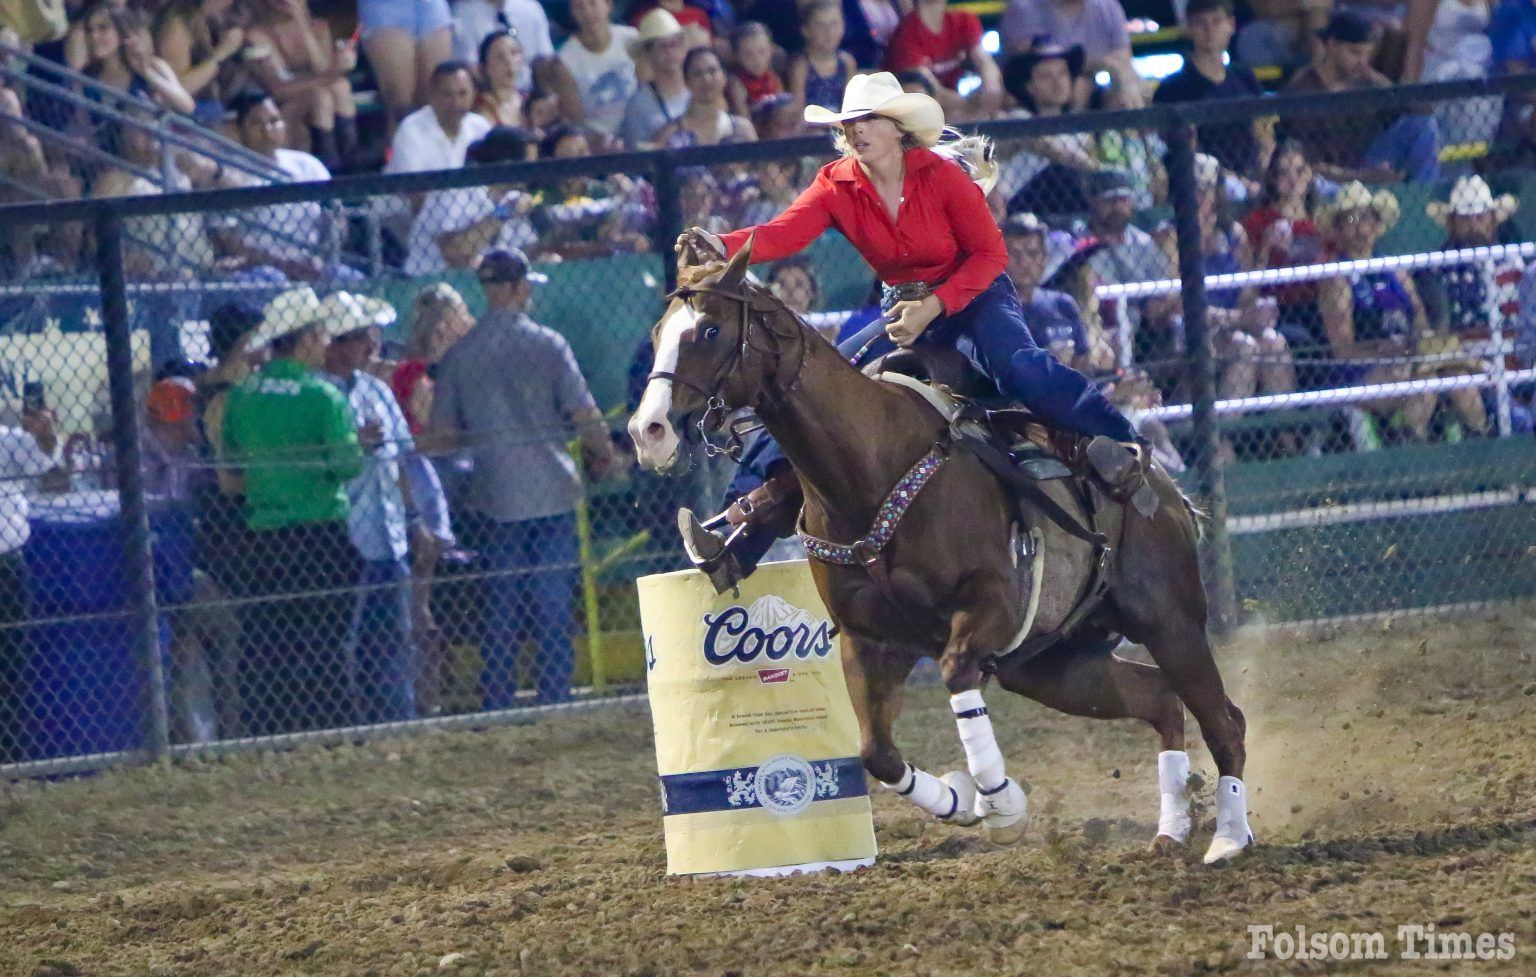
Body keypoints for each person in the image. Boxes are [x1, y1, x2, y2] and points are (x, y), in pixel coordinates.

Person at [673, 71, 1151, 587]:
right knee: (807, 392)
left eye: (868, 120)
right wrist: (723, 245)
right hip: (904, 304)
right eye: (850, 122)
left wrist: (937, 305)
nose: (857, 131)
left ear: (896, 127)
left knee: (1018, 367)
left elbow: (990, 255)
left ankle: (1119, 442)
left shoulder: (941, 176)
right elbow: (784, 232)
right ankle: (735, 540)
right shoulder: (836, 183)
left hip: (973, 295)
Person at [428, 249, 617, 708]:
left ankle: (499, 703)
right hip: (552, 489)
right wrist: (605, 455)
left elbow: (442, 436)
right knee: (553, 607)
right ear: (517, 288)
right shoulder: (548, 344)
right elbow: (584, 414)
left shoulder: (460, 355)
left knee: (501, 608)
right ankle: (554, 700)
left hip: (494, 493)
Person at [221, 287, 364, 735]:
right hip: (319, 530)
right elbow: (347, 465)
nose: (327, 344)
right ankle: (330, 728)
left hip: (263, 533)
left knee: (267, 641)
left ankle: (268, 731)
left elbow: (231, 473)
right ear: (303, 340)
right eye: (322, 335)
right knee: (326, 640)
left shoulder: (242, 395)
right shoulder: (324, 395)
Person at [319, 293, 418, 725]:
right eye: (360, 337)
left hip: (388, 531)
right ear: (337, 343)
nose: (370, 345)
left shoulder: (376, 389)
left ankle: (399, 721)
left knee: (394, 638)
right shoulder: (319, 394)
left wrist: (414, 519)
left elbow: (401, 461)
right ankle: (352, 725)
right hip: (346, 536)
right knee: (347, 641)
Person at [394, 284, 473, 714]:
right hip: (425, 491)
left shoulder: (432, 370)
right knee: (419, 605)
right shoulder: (419, 374)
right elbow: (430, 438)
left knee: (424, 602)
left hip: (436, 489)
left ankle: (429, 694)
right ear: (445, 326)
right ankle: (423, 699)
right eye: (463, 314)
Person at [1315, 182, 1439, 442]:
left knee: (1446, 372)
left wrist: (1416, 341)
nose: (1361, 225)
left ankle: (1480, 435)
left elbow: (1419, 316)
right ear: (1337, 228)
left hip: (1408, 359)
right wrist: (1383, 349)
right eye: (1351, 218)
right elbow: (1343, 350)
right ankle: (1408, 445)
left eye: (1368, 216)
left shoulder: (1395, 270)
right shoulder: (1337, 277)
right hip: (1363, 373)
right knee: (1409, 378)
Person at [183, 91, 339, 283]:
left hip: (313, 263)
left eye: (274, 121)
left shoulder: (307, 164)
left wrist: (323, 254)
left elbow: (335, 213)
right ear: (239, 130)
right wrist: (284, 265)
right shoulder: (228, 175)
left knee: (349, 277)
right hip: (259, 268)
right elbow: (225, 238)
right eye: (256, 123)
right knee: (273, 279)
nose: (267, 131)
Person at [1281, 12, 1440, 184]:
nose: (1362, 62)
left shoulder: (1367, 83)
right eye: (1355, 53)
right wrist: (1364, 177)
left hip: (1369, 161)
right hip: (1329, 179)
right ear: (1333, 45)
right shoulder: (1303, 90)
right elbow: (1307, 165)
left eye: (1367, 54)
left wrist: (1379, 81)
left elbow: (1422, 111)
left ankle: (1424, 196)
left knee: (1422, 125)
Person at [1151, 0, 1271, 182]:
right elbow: (1188, 150)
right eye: (1201, 23)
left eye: (1216, 22)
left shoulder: (1245, 77)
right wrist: (1235, 182)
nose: (1209, 31)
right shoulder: (1172, 88)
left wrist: (1264, 174)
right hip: (1207, 182)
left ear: (1231, 25)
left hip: (1256, 176)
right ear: (1189, 28)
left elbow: (1264, 135)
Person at [0, 402, 60, 763]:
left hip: (5, 566)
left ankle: (10, 762)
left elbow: (42, 459)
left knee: (10, 668)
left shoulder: (5, 441)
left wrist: (46, 435)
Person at [405, 125, 538, 275]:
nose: (533, 172)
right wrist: (505, 211)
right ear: (507, 164)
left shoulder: (513, 197)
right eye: (529, 164)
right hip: (428, 279)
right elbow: (455, 253)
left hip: (480, 283)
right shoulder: (458, 190)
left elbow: (527, 250)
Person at [243, 0, 359, 170]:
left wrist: (304, 28)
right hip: (279, 108)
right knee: (321, 96)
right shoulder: (256, 35)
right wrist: (332, 73)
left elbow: (322, 69)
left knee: (340, 87)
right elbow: (278, 90)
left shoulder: (318, 28)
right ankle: (329, 168)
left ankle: (350, 167)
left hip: (321, 101)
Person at [999, 0, 1141, 108]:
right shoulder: (1023, 8)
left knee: (1134, 87)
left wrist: (1123, 81)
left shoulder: (1108, 6)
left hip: (1100, 83)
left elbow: (1122, 60)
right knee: (1079, 87)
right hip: (1036, 96)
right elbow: (1035, 66)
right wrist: (1101, 64)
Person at [1002, 213, 1094, 372]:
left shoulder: (1063, 304)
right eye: (1014, 254)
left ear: (1044, 259)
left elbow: (1082, 358)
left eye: (1032, 253)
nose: (1024, 262)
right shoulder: (993, 308)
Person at [882, 0, 1003, 118]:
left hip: (958, 105)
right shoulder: (906, 34)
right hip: (926, 113)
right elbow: (932, 91)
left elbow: (985, 62)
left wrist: (991, 87)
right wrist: (972, 104)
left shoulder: (964, 20)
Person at [80, 2, 194, 115]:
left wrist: (146, 73)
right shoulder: (88, 74)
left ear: (122, 31)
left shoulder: (154, 65)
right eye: (90, 30)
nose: (93, 36)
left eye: (103, 28)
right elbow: (80, 122)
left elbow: (187, 106)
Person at [358, 0, 454, 133]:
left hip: (431, 5)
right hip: (386, 7)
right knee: (400, 108)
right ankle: (400, 152)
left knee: (435, 101)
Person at [385, 61, 494, 175]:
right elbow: (412, 190)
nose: (456, 103)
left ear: (474, 94)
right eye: (447, 94)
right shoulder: (411, 130)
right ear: (432, 95)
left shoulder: (480, 126)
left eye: (462, 93)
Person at [559, 0, 642, 140]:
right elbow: (576, 117)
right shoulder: (565, 58)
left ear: (608, 5)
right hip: (596, 140)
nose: (587, 12)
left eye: (593, 3)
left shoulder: (632, 38)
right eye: (579, 7)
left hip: (638, 128)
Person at [152, 0, 244, 124]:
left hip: (208, 116)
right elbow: (177, 88)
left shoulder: (211, 22)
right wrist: (221, 53)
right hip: (177, 120)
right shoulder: (179, 22)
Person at [619, 9, 692, 148]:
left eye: (674, 44)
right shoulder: (638, 104)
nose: (670, 52)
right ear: (648, 53)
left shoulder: (700, 87)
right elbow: (637, 156)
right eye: (663, 46)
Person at [657, 47, 757, 146]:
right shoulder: (668, 135)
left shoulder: (742, 130)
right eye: (697, 74)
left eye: (712, 71)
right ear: (686, 82)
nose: (706, 79)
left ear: (724, 76)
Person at [788, 0, 859, 111]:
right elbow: (797, 111)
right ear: (806, 30)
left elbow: (850, 105)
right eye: (820, 25)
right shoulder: (801, 66)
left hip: (840, 124)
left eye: (834, 24)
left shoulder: (847, 62)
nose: (829, 31)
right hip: (810, 125)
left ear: (843, 26)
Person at [727, 21, 785, 118]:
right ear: (736, 56)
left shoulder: (773, 77)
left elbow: (783, 108)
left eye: (762, 52)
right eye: (748, 54)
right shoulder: (736, 83)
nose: (756, 60)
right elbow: (744, 117)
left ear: (772, 50)